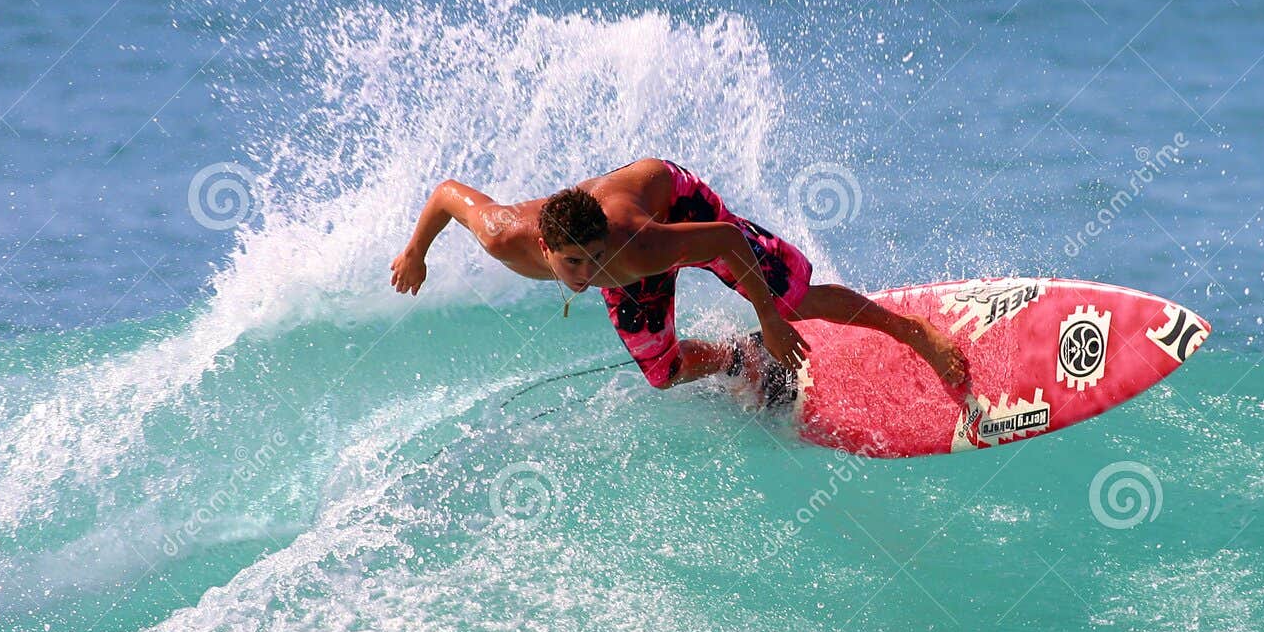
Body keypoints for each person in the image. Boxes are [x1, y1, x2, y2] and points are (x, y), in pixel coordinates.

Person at [389, 157, 968, 395]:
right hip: (623, 231)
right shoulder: (501, 234)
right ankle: (742, 359)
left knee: (790, 299)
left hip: (677, 203)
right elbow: (445, 195)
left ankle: (915, 333)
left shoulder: (638, 246)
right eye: (573, 264)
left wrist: (767, 315)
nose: (587, 276)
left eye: (593, 260)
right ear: (544, 246)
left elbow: (724, 239)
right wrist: (415, 252)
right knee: (662, 372)